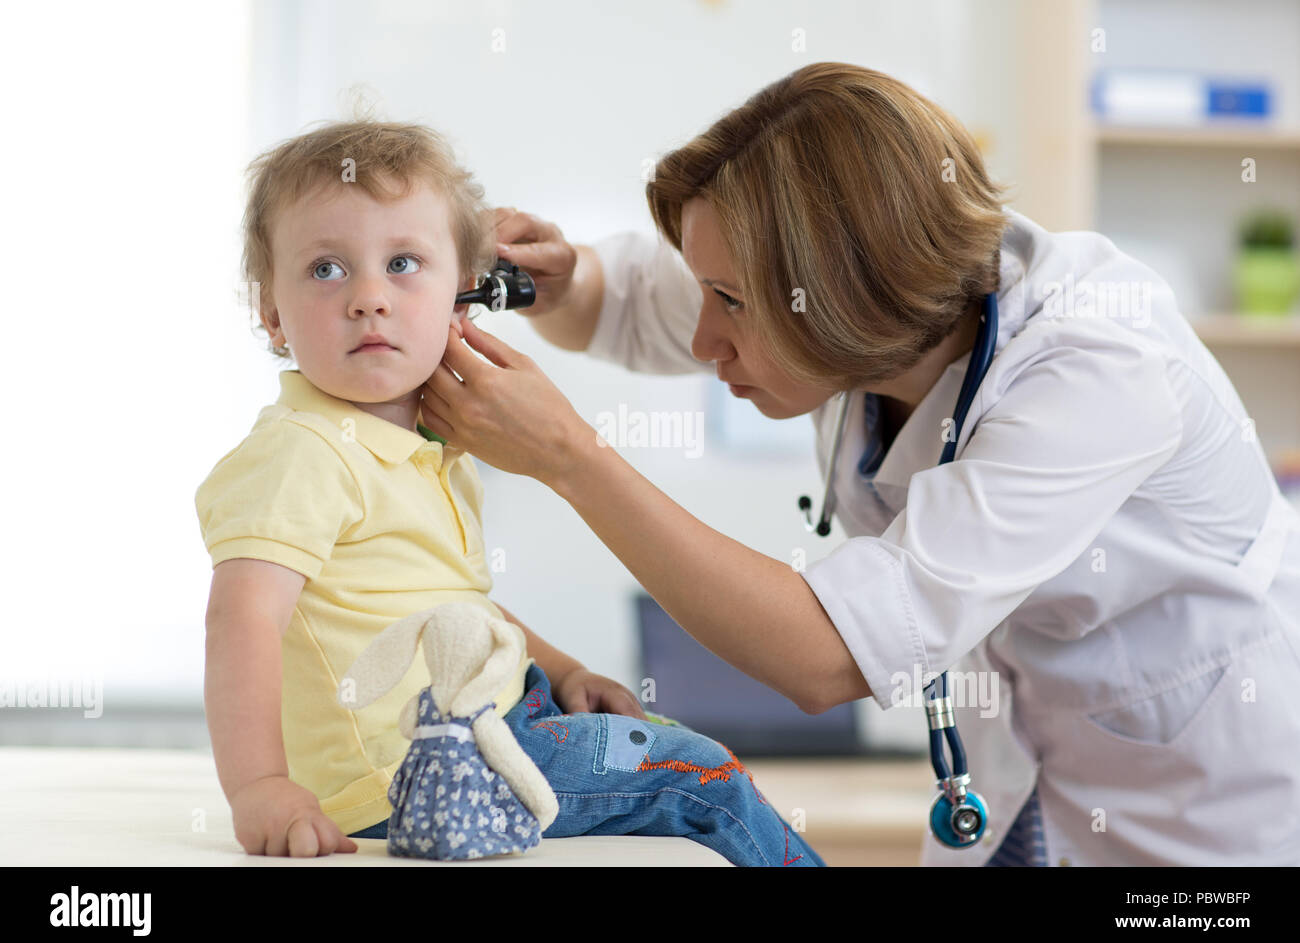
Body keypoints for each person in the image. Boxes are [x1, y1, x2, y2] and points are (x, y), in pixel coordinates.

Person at [421, 62, 1300, 866]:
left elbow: (824, 659)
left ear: (854, 289)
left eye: (729, 301)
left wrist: (570, 457)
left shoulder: (1100, 369)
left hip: (1201, 821)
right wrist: (563, 280)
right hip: (1017, 788)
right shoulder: (844, 301)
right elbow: (614, 306)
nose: (703, 337)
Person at [194, 118, 823, 867]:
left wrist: (564, 673)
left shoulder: (427, 446)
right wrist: (261, 785)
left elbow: (456, 611)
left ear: (462, 299)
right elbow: (242, 622)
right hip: (417, 770)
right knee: (706, 778)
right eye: (326, 270)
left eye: (402, 263)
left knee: (667, 753)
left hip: (490, 717)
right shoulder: (302, 452)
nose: (368, 297)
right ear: (271, 313)